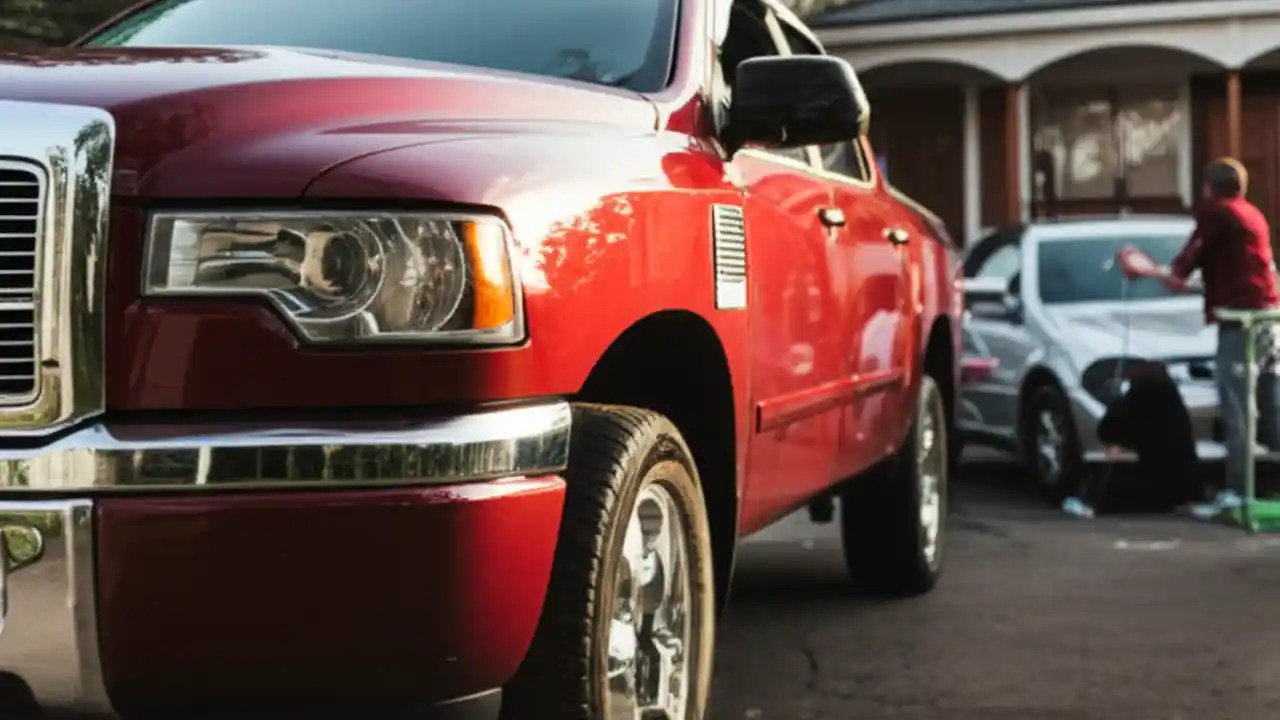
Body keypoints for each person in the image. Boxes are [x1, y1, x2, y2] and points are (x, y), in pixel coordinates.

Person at [1146, 157, 1280, 520]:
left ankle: (1237, 493)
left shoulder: (1217, 214)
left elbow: (1180, 273)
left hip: (1241, 322)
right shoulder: (1252, 214)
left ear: (1209, 188)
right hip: (1269, 317)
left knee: (1238, 409)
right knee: (1271, 406)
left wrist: (1142, 267)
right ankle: (1264, 487)